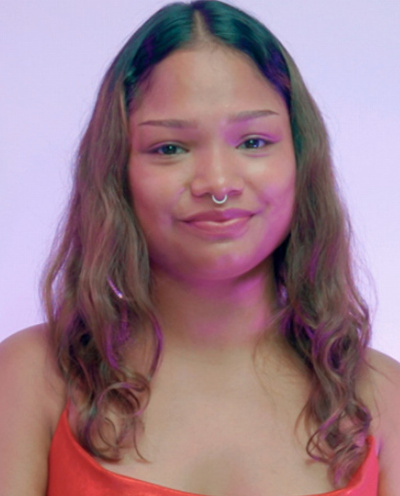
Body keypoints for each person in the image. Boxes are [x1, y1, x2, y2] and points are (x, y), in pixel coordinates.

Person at [1, 1, 399, 494]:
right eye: (170, 148)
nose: (218, 183)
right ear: (115, 171)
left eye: (253, 142)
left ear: (302, 157)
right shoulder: (32, 377)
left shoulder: (383, 398)